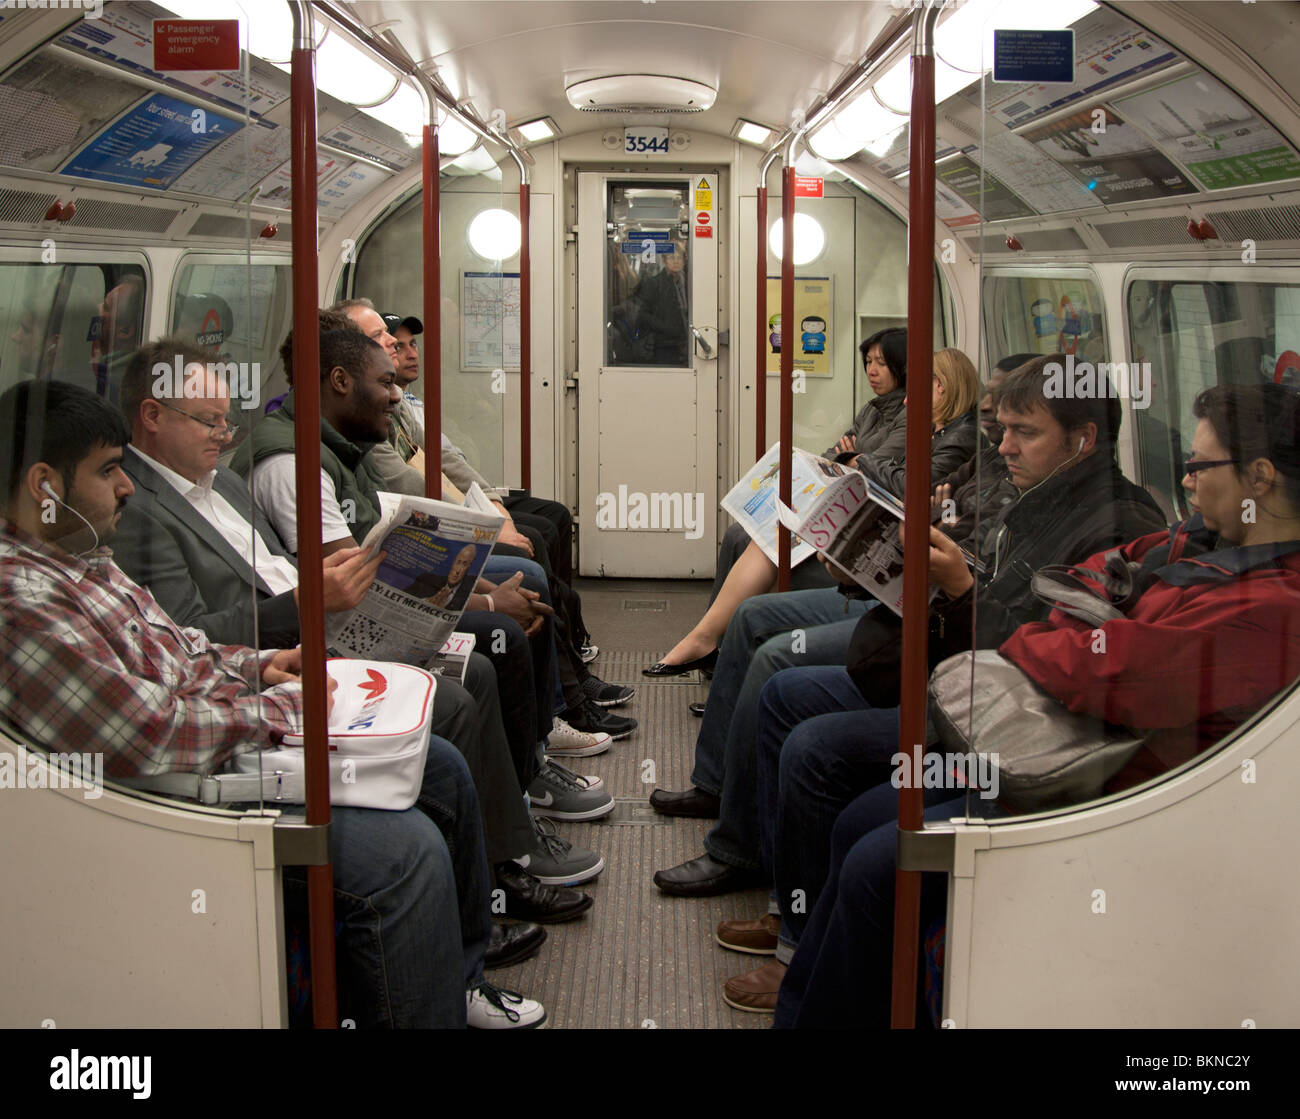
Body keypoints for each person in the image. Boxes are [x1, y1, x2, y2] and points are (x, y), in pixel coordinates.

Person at [0, 378, 547, 1028]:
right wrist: (289, 706)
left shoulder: (86, 559)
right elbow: (148, 730)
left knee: (442, 767)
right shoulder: (23, 604)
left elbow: (182, 648)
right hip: (171, 800)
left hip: (226, 722)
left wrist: (261, 666)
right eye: (108, 470)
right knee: (406, 852)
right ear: (45, 485)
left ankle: (459, 982)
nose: (125, 487)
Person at [775, 381, 1300, 1028]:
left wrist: (1043, 632)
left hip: (1110, 795)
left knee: (876, 858)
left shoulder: (1271, 607)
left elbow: (1109, 668)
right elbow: (1076, 586)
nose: (1187, 480)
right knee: (860, 820)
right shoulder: (1196, 541)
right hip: (1056, 729)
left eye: (1198, 465)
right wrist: (1076, 627)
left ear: (1260, 478)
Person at [712, 353, 1169, 1010]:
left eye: (1024, 432)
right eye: (1002, 429)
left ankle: (803, 950)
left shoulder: (1117, 528)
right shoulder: (1037, 496)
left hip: (1015, 726)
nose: (1004, 446)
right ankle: (795, 920)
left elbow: (1036, 658)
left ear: (1084, 439)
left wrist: (958, 589)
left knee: (815, 747)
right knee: (789, 698)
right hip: (960, 671)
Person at [110, 339, 600, 923]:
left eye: (226, 422)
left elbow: (279, 567)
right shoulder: (139, 511)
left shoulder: (221, 483)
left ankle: (503, 851)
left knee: (481, 660)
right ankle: (490, 883)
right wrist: (308, 600)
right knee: (463, 685)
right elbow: (189, 635)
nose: (223, 436)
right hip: (279, 652)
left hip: (319, 618)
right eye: (208, 422)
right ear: (152, 416)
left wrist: (322, 585)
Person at [644, 329, 914, 679]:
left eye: (881, 363)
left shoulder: (908, 416)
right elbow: (833, 456)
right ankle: (718, 649)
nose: (871, 371)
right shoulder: (872, 410)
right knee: (738, 534)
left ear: (902, 366)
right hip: (840, 505)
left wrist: (853, 456)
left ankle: (710, 646)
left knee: (771, 541)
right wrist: (851, 456)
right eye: (868, 362)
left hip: (858, 523)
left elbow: (871, 466)